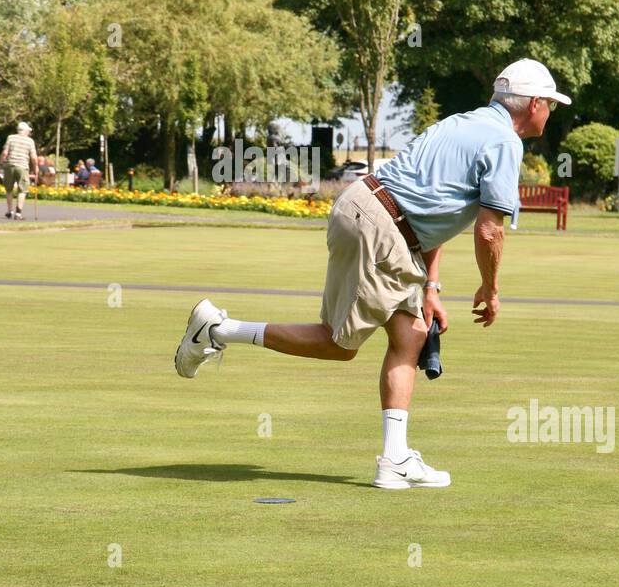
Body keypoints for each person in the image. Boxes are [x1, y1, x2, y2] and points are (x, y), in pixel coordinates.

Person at [174, 58, 571, 491]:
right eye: (549, 104)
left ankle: (395, 459)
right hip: (382, 227)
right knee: (338, 343)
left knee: (411, 336)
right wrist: (490, 289)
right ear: (533, 104)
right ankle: (218, 328)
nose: (550, 112)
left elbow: (437, 211)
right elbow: (489, 229)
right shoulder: (505, 143)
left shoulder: (464, 123)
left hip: (382, 220)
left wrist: (431, 286)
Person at [0, 121, 38, 219]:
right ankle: (18, 213)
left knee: (9, 189)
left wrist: (0, 163)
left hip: (10, 166)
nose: (29, 133)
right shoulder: (30, 141)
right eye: (28, 131)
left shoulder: (10, 137)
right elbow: (33, 157)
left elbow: (5, 153)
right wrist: (36, 168)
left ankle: (9, 211)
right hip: (22, 167)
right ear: (25, 131)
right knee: (22, 190)